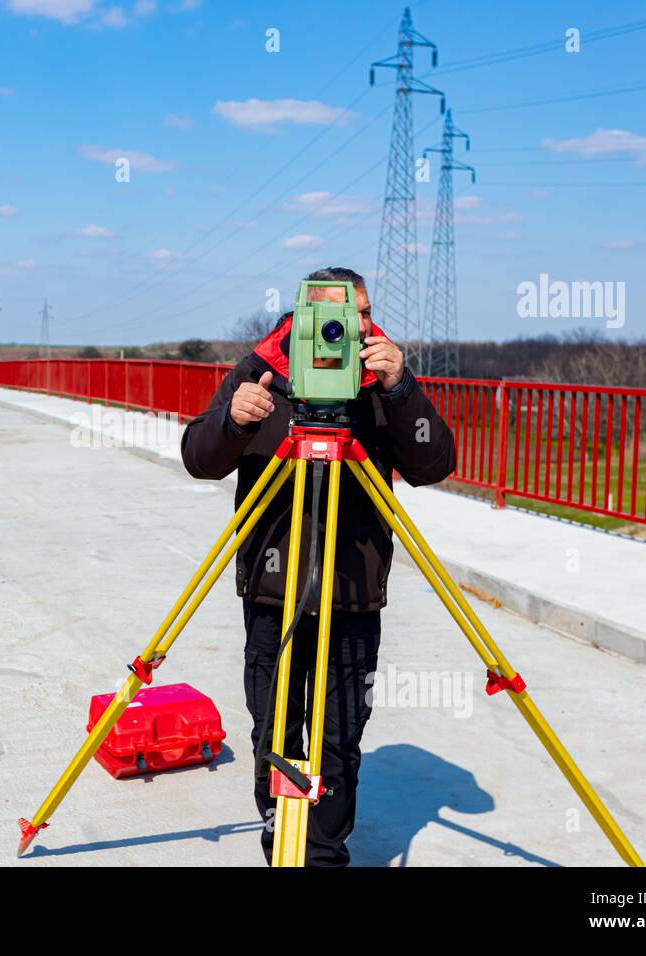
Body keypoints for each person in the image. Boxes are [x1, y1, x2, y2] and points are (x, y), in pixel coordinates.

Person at [180, 267, 457, 866]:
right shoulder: (262, 370)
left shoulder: (380, 376)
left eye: (362, 312)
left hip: (352, 593)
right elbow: (198, 457)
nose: (350, 326)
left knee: (339, 739)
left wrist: (400, 386)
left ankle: (324, 855)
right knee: (274, 734)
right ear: (299, 311)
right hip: (273, 592)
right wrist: (235, 420)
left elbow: (434, 462)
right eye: (336, 312)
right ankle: (282, 840)